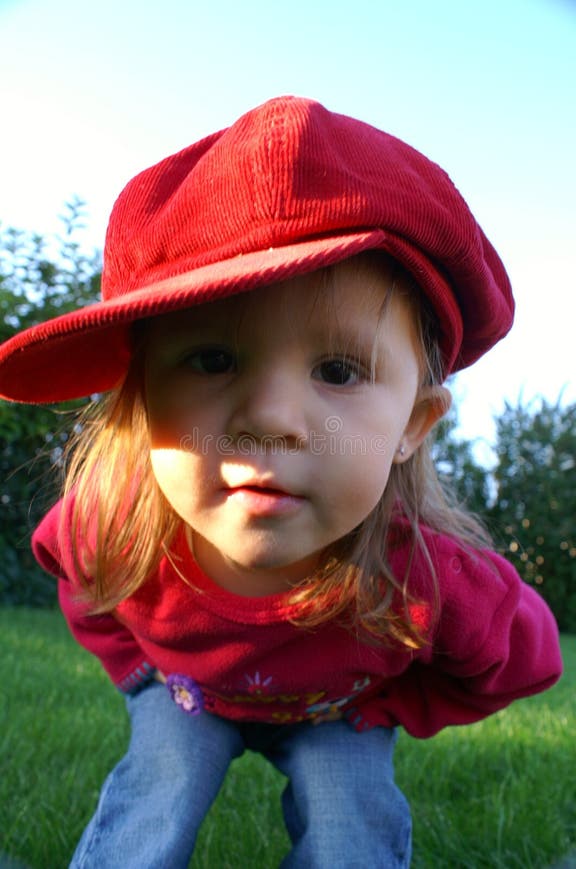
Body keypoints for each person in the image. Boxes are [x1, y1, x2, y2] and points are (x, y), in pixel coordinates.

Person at [0, 96, 562, 868]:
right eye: (212, 358)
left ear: (413, 424)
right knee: (161, 783)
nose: (270, 419)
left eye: (337, 370)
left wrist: (387, 701)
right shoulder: (114, 521)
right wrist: (138, 673)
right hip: (188, 693)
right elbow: (76, 577)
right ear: (141, 398)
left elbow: (525, 658)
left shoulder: (427, 578)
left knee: (349, 821)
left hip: (334, 711)